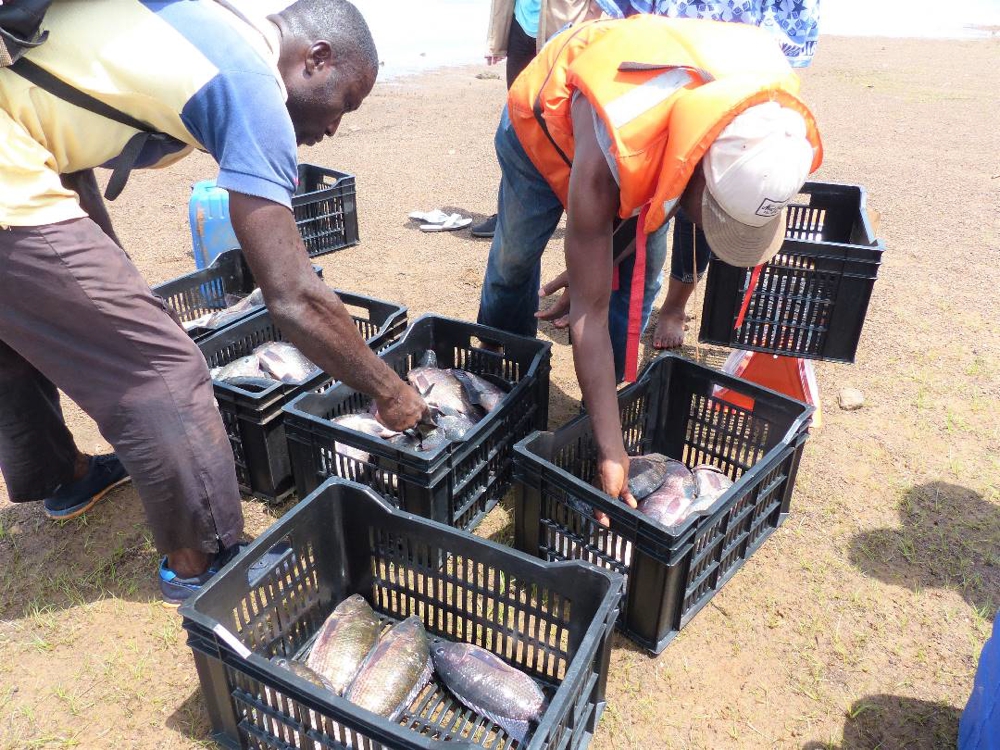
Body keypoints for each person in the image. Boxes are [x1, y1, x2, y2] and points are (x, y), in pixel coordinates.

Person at [0, 0, 426, 605]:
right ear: (316, 59)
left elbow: (62, 133)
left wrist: (112, 274)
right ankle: (203, 561)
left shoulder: (214, 31)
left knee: (12, 333)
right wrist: (390, 391)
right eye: (344, 104)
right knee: (162, 368)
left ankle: (59, 477)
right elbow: (294, 298)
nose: (334, 128)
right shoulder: (249, 83)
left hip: (18, 143)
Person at [476, 14, 822, 514]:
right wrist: (612, 451)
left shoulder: (767, 119)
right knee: (516, 257)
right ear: (695, 169)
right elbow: (588, 317)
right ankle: (499, 368)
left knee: (629, 262)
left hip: (644, 133)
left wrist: (590, 264)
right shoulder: (612, 150)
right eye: (711, 215)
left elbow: (645, 208)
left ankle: (608, 400)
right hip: (544, 122)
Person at [539, 0, 823, 349]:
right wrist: (590, 272)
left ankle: (670, 308)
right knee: (637, 251)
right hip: (644, 85)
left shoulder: (770, 98)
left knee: (678, 227)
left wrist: (595, 264)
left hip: (729, 100)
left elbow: (793, 41)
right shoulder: (623, 140)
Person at [472, 0, 602, 238]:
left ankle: (585, 210)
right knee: (517, 125)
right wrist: (497, 36)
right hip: (521, 26)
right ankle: (509, 213)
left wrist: (589, 26)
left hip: (565, 27)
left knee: (565, 127)